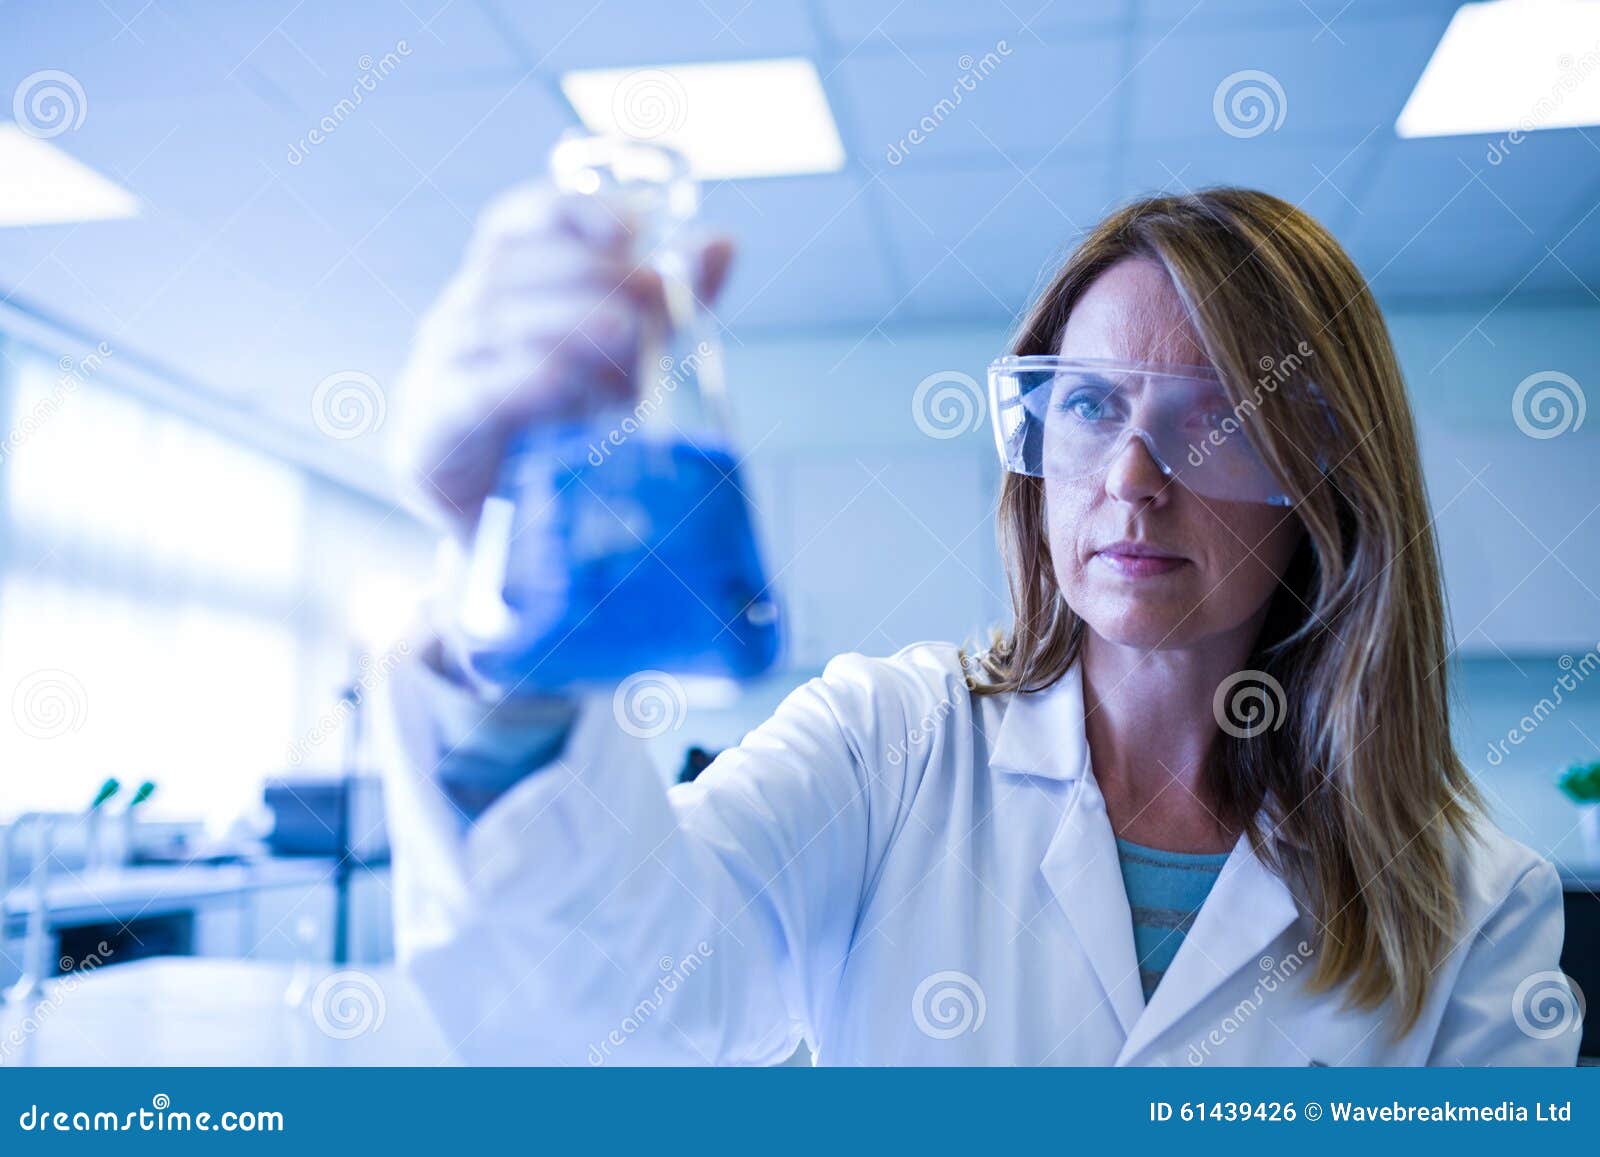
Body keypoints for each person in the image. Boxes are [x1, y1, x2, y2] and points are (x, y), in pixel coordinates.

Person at [377, 185, 1576, 1066]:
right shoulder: (888, 743)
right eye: (1092, 404)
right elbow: (617, 1003)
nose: (1131, 475)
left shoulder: (1476, 904)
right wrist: (499, 592)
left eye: (1211, 419)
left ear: (1324, 471)